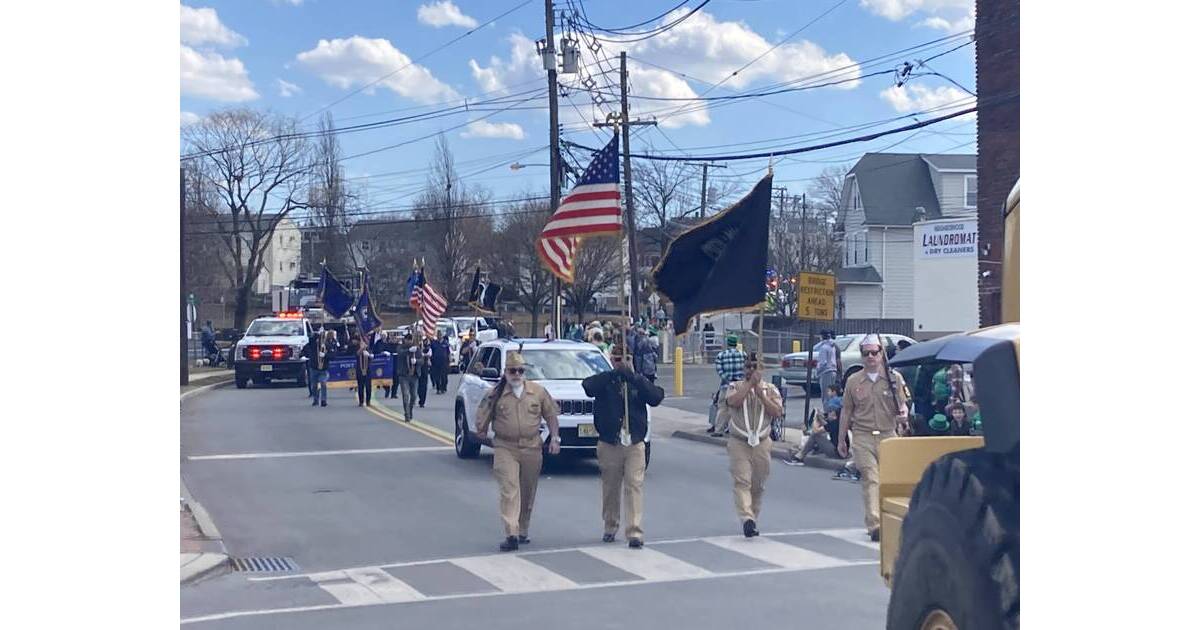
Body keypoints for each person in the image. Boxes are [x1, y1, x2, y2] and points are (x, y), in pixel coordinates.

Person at [474, 351, 561, 551]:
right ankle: (511, 533)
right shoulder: (495, 394)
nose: (517, 375)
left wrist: (555, 438)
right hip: (505, 446)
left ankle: (522, 529)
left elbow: (551, 415)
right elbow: (481, 417)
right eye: (512, 371)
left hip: (532, 446)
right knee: (509, 489)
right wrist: (481, 429)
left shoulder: (537, 392)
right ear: (505, 372)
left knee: (527, 491)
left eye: (520, 371)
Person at [582, 339, 664, 548]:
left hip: (634, 442)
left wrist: (633, 377)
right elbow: (588, 387)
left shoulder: (638, 382)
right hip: (610, 442)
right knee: (611, 487)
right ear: (612, 360)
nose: (622, 363)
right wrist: (614, 374)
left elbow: (656, 397)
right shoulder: (606, 381)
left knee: (634, 485)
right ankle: (610, 525)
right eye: (618, 359)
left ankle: (634, 531)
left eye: (626, 359)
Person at [837, 334, 910, 542]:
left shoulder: (894, 379)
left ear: (881, 354)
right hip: (863, 435)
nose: (870, 357)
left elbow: (903, 404)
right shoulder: (853, 381)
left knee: (889, 481)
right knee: (871, 478)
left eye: (874, 353)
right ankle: (875, 524)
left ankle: (891, 520)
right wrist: (842, 439)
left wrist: (903, 415)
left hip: (888, 434)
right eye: (866, 353)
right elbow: (847, 411)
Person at [723, 353, 784, 537]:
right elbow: (733, 402)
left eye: (754, 366)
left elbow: (777, 412)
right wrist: (749, 385)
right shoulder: (735, 386)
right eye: (748, 366)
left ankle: (753, 518)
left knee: (758, 484)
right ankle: (746, 518)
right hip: (739, 441)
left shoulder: (770, 389)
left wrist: (761, 395)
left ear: (761, 369)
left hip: (762, 442)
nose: (751, 370)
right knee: (742, 481)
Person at [710, 334, 747, 434]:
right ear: (736, 343)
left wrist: (727, 379)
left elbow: (720, 371)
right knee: (737, 409)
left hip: (726, 386)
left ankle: (718, 430)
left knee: (722, 408)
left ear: (727, 343)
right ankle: (734, 429)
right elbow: (746, 370)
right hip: (739, 386)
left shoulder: (721, 356)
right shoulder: (743, 355)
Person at [393, 333, 418, 420]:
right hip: (403, 375)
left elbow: (422, 360)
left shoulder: (416, 348)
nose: (409, 341)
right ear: (405, 340)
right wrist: (409, 351)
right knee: (406, 395)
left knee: (414, 396)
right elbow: (400, 353)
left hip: (414, 375)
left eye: (411, 340)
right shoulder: (400, 347)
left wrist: (416, 361)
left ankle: (410, 409)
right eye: (408, 340)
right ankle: (407, 414)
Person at [814, 331, 842, 406]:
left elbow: (823, 362)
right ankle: (832, 410)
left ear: (821, 337)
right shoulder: (832, 346)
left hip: (826, 372)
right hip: (833, 371)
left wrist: (818, 371)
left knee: (826, 394)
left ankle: (827, 410)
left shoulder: (824, 348)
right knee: (832, 394)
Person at [311, 330, 334, 407]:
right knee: (314, 386)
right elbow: (310, 340)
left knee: (323, 383)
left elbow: (332, 356)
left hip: (323, 369)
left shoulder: (327, 345)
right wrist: (317, 334)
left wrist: (325, 355)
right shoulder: (313, 345)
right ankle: (315, 399)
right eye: (320, 337)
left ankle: (323, 400)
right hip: (314, 368)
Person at [301, 332, 320, 401]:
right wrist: (303, 356)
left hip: (319, 364)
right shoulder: (307, 346)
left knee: (316, 379)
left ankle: (316, 393)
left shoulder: (320, 346)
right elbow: (302, 353)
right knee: (311, 379)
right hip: (310, 363)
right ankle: (312, 392)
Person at [354, 340, 374, 407]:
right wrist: (361, 349)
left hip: (367, 371)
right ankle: (361, 401)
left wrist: (369, 355)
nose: (363, 345)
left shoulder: (369, 351)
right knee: (360, 387)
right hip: (360, 371)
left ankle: (368, 401)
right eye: (361, 344)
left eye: (364, 344)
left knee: (368, 387)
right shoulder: (358, 350)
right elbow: (357, 354)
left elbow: (372, 358)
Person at [415, 337, 432, 407]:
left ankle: (422, 401)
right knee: (418, 386)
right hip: (417, 368)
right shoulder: (415, 347)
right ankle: (419, 397)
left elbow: (429, 353)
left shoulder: (427, 348)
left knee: (424, 385)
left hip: (424, 367)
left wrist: (424, 354)